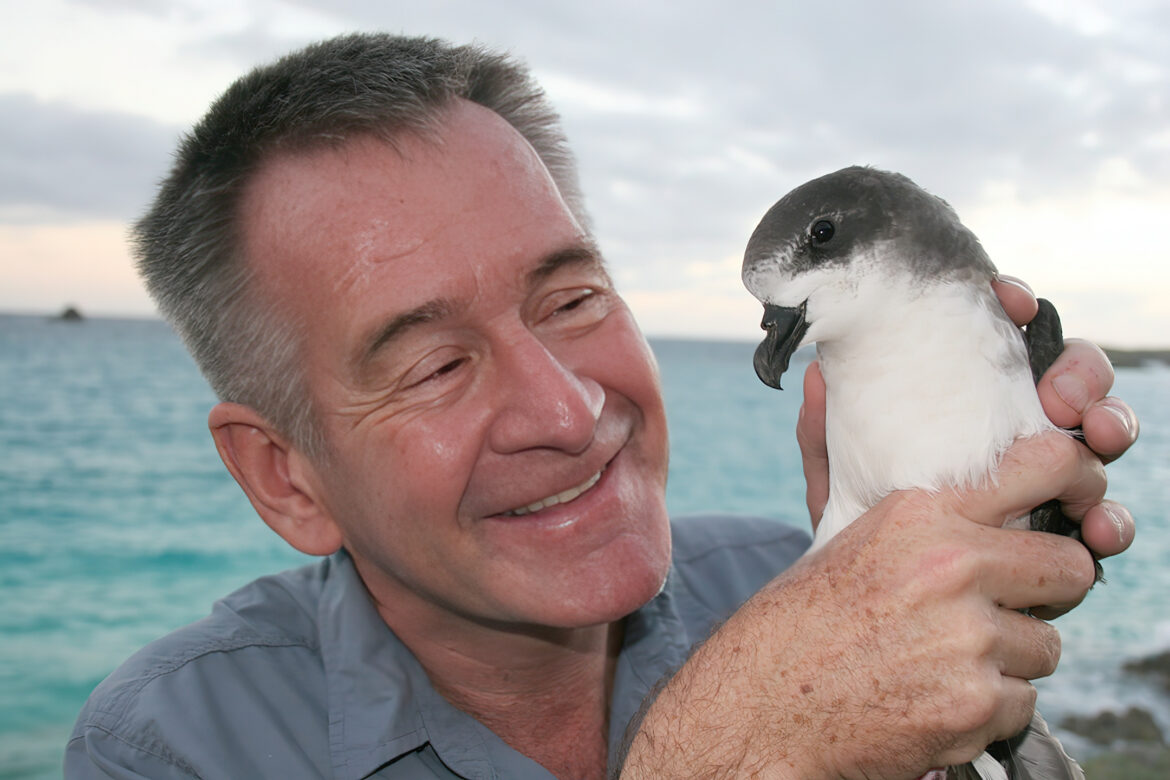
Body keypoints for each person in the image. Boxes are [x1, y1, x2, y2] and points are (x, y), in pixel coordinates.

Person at [66, 33, 1138, 779]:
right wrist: (744, 751)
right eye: (437, 365)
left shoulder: (823, 592)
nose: (570, 410)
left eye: (573, 299)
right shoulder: (171, 750)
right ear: (284, 477)